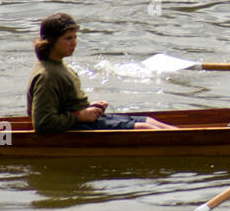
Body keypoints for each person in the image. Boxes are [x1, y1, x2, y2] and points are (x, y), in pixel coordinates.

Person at [26, 13, 175, 133]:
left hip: (81, 121)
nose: (74, 42)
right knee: (144, 129)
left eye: (75, 37)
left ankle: (188, 137)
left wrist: (89, 109)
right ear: (51, 41)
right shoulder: (47, 76)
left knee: (148, 121)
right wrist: (80, 116)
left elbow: (67, 105)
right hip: (72, 129)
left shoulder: (58, 65)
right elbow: (43, 124)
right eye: (68, 38)